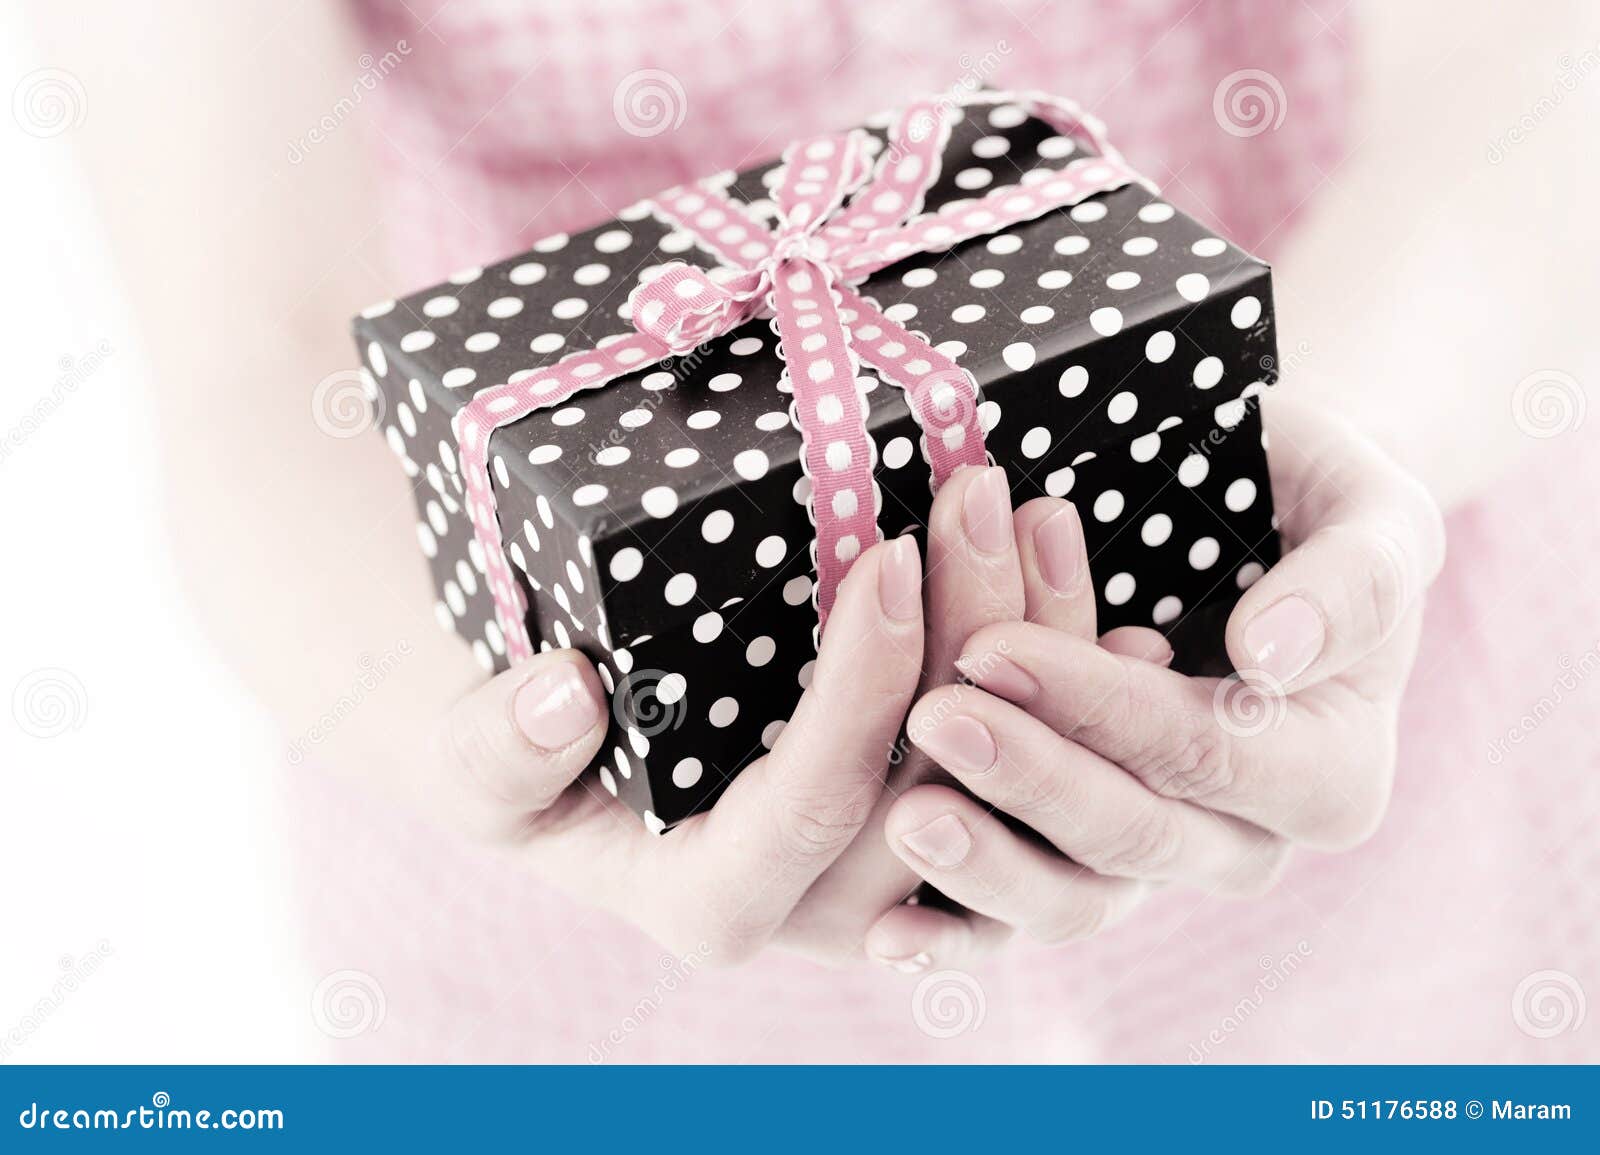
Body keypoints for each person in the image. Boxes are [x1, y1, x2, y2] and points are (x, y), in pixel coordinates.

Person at [33, 0, 1599, 1061]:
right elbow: (255, 366)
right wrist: (502, 757)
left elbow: (1531, 88)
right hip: (570, 856)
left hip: (1414, 697)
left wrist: (1311, 486)